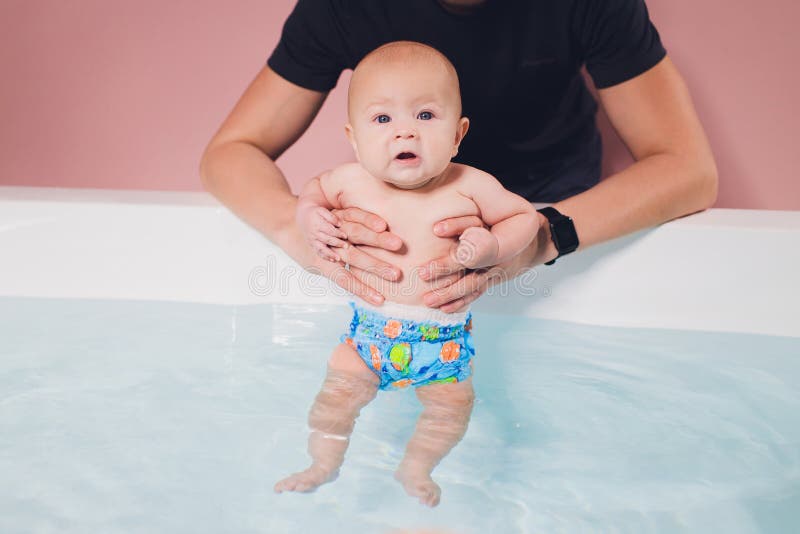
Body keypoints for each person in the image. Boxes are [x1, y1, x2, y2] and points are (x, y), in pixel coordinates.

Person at [199, 0, 717, 313]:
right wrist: (297, 232)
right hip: (408, 239)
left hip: (556, 216)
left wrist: (540, 237)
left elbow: (688, 168)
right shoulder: (343, 6)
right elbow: (230, 152)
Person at [273, 41, 537, 507]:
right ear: (354, 138)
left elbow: (525, 218)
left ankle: (417, 466)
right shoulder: (347, 180)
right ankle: (323, 462)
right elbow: (310, 195)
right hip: (366, 339)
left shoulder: (472, 185)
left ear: (459, 133)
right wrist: (311, 216)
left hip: (443, 346)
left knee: (450, 412)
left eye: (425, 116)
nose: (404, 134)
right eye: (383, 120)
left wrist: (495, 245)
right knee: (335, 401)